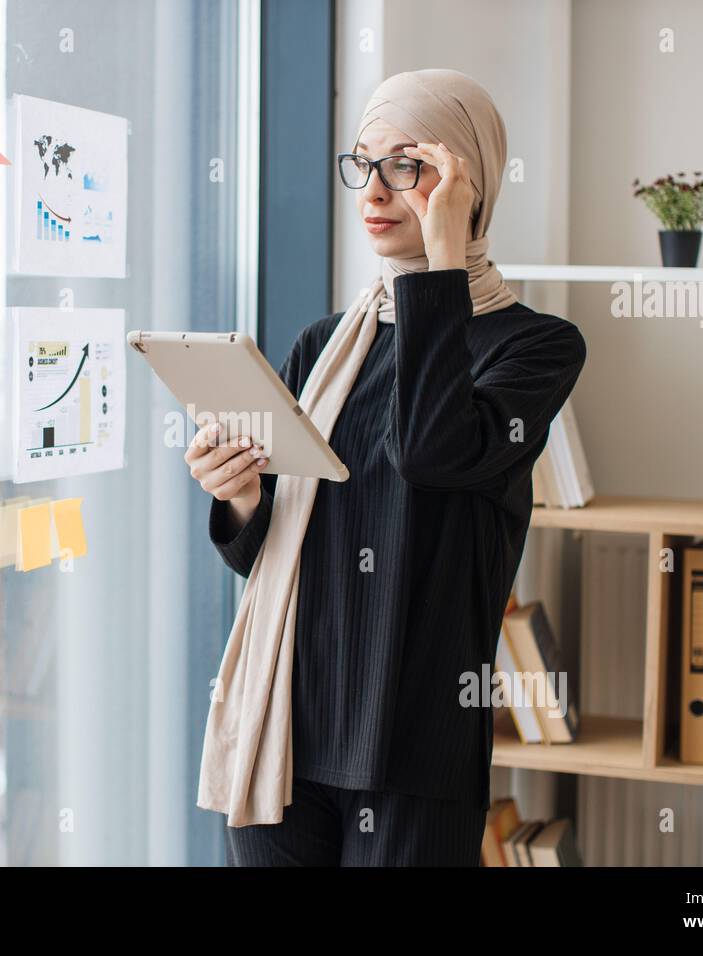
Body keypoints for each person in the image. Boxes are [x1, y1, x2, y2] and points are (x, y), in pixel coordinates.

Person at [184, 69, 586, 866]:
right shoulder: (323, 345)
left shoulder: (535, 347)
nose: (375, 189)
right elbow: (261, 553)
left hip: (412, 744)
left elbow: (433, 453)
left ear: (468, 185)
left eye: (408, 165)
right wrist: (236, 498)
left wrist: (439, 270)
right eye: (363, 163)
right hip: (282, 730)